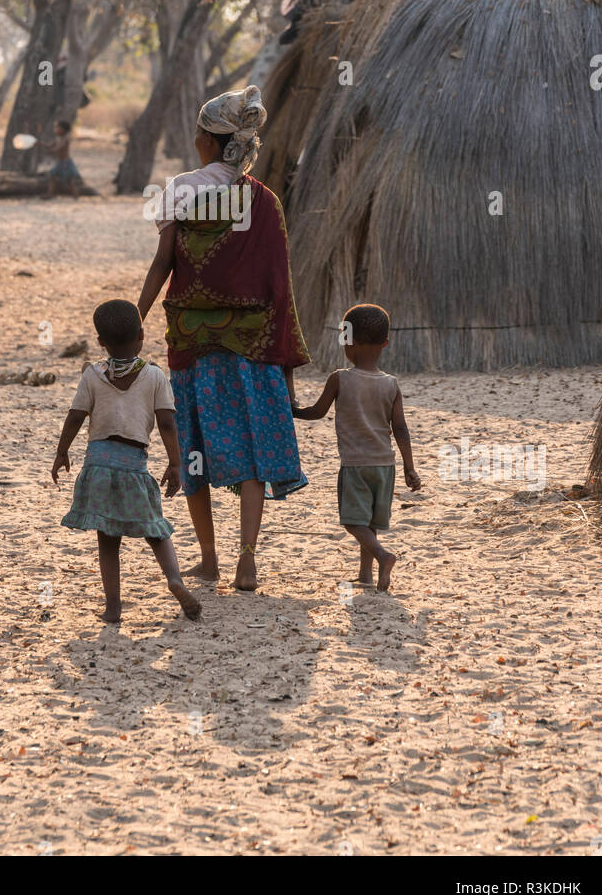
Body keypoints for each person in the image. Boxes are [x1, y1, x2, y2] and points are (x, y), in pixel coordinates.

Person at [137, 85, 310, 593]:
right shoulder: (265, 200)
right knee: (252, 450)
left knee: (195, 446)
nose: (194, 140)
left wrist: (136, 314)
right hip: (252, 346)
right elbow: (281, 287)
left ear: (211, 142)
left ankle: (209, 558)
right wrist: (287, 362)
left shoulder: (180, 190)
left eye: (198, 133)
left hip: (191, 340)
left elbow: (163, 263)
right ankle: (247, 561)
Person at [51, 299, 201, 624]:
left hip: (98, 465)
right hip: (134, 464)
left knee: (107, 539)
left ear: (101, 341)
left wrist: (62, 451)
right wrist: (175, 464)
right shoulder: (155, 377)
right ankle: (174, 580)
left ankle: (113, 606)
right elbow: (167, 424)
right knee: (157, 531)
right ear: (142, 336)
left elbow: (76, 417)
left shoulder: (92, 374)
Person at [292, 303, 422, 591]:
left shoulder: (340, 378)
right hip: (385, 466)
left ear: (347, 342)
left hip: (355, 464)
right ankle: (366, 576)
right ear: (385, 343)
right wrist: (409, 468)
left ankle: (382, 556)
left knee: (353, 522)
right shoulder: (391, 384)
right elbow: (400, 428)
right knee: (370, 523)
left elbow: (317, 412)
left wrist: (292, 410)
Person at [41, 119, 81, 198]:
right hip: (60, 162)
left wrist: (51, 151)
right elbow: (49, 145)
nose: (55, 130)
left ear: (63, 129)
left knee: (69, 180)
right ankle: (51, 194)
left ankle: (75, 195)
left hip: (66, 162)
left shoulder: (65, 139)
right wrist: (39, 143)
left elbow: (58, 148)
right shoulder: (57, 138)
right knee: (53, 176)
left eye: (57, 128)